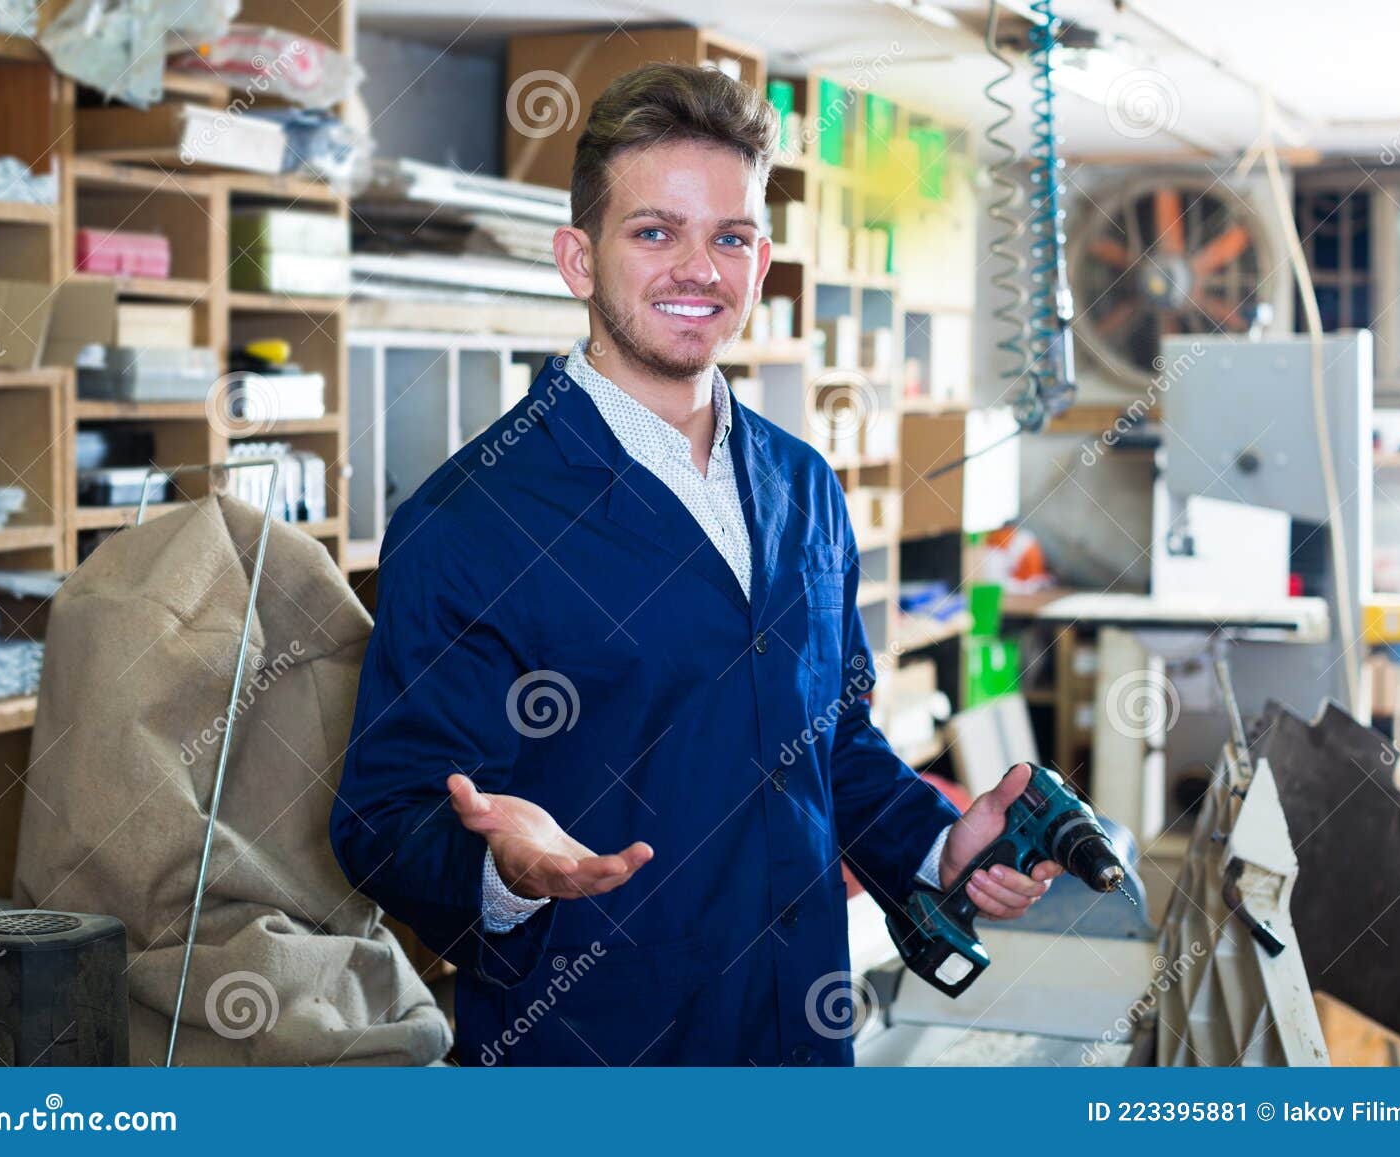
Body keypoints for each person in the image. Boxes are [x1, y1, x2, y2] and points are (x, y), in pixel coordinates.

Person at [331, 61, 1060, 1067]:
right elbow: (382, 819)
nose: (698, 269)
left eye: (729, 236)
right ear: (578, 260)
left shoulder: (803, 485)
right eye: (653, 231)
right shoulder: (471, 521)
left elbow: (831, 745)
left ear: (761, 260)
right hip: (595, 1048)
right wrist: (503, 867)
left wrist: (939, 847)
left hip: (799, 1027)